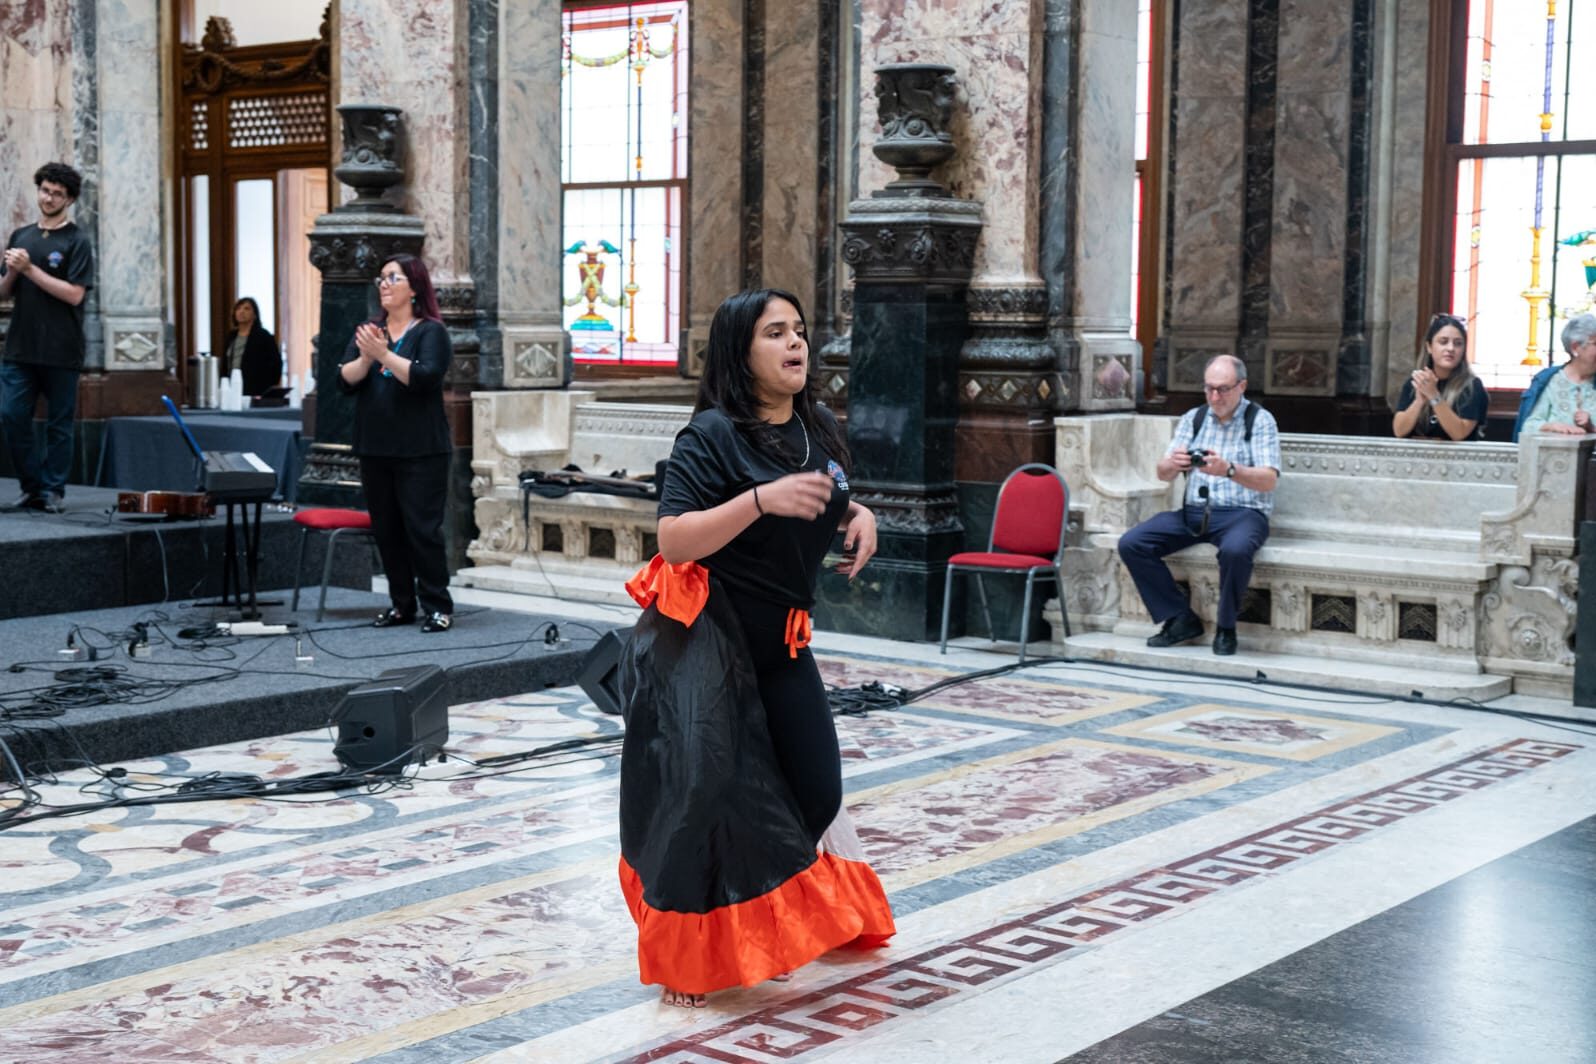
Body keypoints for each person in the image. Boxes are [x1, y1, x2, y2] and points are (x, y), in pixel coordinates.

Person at [617, 288, 895, 1009]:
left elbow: (827, 495)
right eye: (776, 333)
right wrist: (760, 501)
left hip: (783, 643)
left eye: (800, 331)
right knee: (702, 794)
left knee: (815, 790)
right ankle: (686, 957)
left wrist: (858, 514)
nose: (796, 344)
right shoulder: (710, 435)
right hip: (708, 646)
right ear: (742, 352)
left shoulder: (817, 426)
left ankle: (767, 922)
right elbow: (674, 537)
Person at [1117, 354, 1281, 656]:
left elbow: (1269, 479)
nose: (1214, 397)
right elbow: (1163, 474)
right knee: (1132, 543)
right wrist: (1173, 464)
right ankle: (1180, 618)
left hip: (1243, 514)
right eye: (1208, 389)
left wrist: (1229, 469)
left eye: (1222, 389)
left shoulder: (1259, 420)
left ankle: (1226, 626)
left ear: (1242, 386)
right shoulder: (1194, 418)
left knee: (1235, 550)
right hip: (1195, 512)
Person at [337, 254, 454, 632]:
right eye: (381, 278)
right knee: (387, 530)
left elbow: (424, 378)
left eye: (393, 277)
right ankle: (401, 604)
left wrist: (383, 353)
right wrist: (370, 358)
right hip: (376, 447)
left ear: (415, 287)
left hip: (421, 450)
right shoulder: (371, 330)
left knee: (422, 530)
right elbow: (345, 379)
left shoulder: (430, 332)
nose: (384, 284)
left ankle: (438, 605)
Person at [0, 163, 94, 513]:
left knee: (59, 423)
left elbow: (74, 295)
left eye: (57, 193)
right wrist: (12, 271)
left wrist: (30, 270)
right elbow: (4, 292)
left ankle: (54, 489)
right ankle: (32, 487)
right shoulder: (21, 236)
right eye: (45, 190)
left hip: (61, 347)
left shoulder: (77, 240)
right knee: (11, 415)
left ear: (68, 199)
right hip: (20, 347)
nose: (49, 197)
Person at [1392, 313, 1487, 441]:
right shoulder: (1416, 382)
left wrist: (1434, 396)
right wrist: (1419, 401)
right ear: (1429, 347)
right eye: (1443, 342)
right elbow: (1399, 431)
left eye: (1458, 344)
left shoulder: (1472, 386)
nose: (1451, 348)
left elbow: (1459, 433)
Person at [1517, 314, 1596, 438]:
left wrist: (1592, 427)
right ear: (1575, 347)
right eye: (1595, 344)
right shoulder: (1549, 380)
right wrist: (1551, 426)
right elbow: (1528, 426)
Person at [222, 296, 283, 397]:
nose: (241, 311)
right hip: (232, 387)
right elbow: (225, 363)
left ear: (254, 315)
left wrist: (269, 387)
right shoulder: (231, 336)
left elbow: (276, 364)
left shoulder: (263, 336)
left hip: (256, 389)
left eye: (246, 308)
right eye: (238, 308)